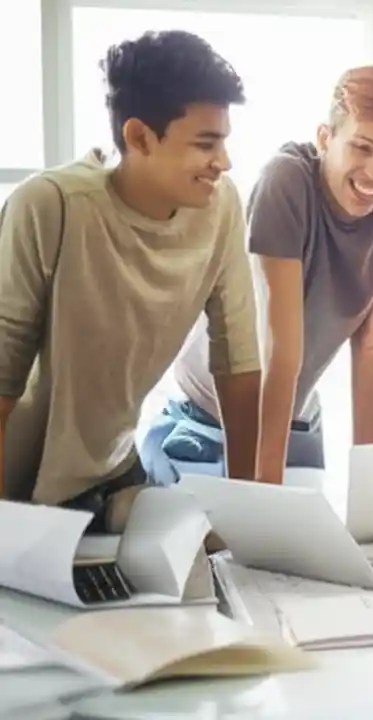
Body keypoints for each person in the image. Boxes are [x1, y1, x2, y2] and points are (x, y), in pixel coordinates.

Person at [0, 30, 259, 530]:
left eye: (223, 141)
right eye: (205, 144)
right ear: (139, 136)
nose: (222, 162)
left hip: (115, 469)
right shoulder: (51, 205)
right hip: (20, 489)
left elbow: (238, 360)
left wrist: (242, 511)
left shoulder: (221, 206)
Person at [142, 66, 373, 485]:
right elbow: (279, 347)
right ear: (326, 138)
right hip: (210, 415)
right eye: (362, 148)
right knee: (233, 541)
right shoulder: (286, 180)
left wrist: (372, 483)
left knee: (314, 541)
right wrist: (267, 487)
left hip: (295, 414)